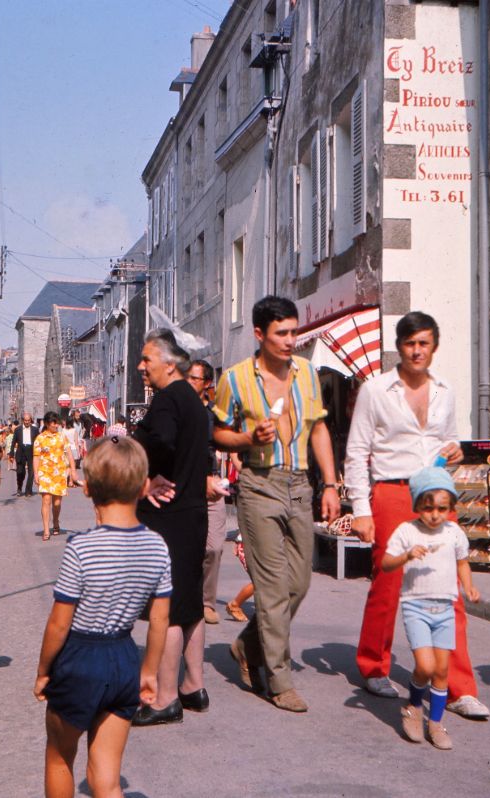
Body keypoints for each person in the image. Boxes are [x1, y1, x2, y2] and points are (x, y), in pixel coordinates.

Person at [344, 311, 489, 719]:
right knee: (388, 582)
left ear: (434, 346)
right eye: (410, 343)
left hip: (437, 492)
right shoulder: (376, 390)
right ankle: (373, 665)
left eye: (424, 343)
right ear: (399, 346)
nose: (417, 350)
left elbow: (448, 440)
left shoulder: (445, 390)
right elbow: (357, 452)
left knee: (448, 589)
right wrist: (360, 509)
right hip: (391, 490)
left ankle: (459, 688)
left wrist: (455, 449)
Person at [213, 296, 340, 712]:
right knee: (270, 587)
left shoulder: (306, 373)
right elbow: (219, 434)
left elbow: (318, 428)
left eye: (294, 331)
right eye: (281, 333)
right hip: (258, 485)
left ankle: (247, 644)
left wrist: (331, 485)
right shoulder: (234, 378)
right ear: (259, 335)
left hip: (301, 485)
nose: (290, 340)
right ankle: (278, 678)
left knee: (298, 583)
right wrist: (249, 439)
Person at [34, 437, 170, 798]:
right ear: (144, 487)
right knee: (106, 779)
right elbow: (159, 621)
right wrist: (150, 672)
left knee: (60, 757)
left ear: (87, 488)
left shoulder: (80, 547)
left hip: (80, 658)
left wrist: (44, 669)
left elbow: (60, 623)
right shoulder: (157, 546)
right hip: (124, 659)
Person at [131, 329, 210, 726]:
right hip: (192, 511)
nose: (141, 367)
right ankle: (193, 685)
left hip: (168, 515)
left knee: (167, 611)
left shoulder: (166, 400)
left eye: (147, 360)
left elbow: (160, 443)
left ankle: (164, 698)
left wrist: (143, 480)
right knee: (190, 603)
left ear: (169, 363)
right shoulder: (192, 400)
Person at [382, 467, 480, 750]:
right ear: (417, 506)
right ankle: (413, 706)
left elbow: (463, 562)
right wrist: (406, 555)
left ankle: (435, 722)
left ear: (450, 508)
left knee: (442, 671)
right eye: (428, 508)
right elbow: (386, 564)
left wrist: (468, 586)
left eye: (442, 509)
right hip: (416, 607)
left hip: (445, 609)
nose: (435, 515)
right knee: (425, 666)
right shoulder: (407, 531)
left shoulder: (454, 533)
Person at [187, 359, 230, 625]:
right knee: (188, 547)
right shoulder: (178, 412)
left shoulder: (214, 413)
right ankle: (190, 598)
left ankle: (207, 602)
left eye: (195, 379)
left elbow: (230, 442)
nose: (190, 383)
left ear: (206, 384)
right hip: (185, 485)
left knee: (214, 547)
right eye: (187, 378)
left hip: (212, 484)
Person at [34, 412, 79, 541]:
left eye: (57, 423)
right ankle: (46, 529)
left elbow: (69, 454)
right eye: (54, 423)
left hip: (59, 472)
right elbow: (36, 457)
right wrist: (36, 473)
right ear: (48, 424)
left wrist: (73, 470)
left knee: (57, 503)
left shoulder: (61, 437)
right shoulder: (40, 439)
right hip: (45, 472)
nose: (57, 425)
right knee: (46, 500)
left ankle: (56, 521)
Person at [11, 413, 39, 496]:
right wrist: (11, 454)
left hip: (31, 451)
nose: (27, 422)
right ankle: (19, 487)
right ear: (23, 420)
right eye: (25, 420)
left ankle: (28, 491)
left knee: (31, 472)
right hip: (21, 451)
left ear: (31, 420)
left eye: (28, 420)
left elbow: (39, 441)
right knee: (20, 472)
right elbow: (13, 442)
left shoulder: (35, 429)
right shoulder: (18, 429)